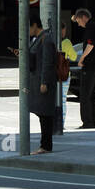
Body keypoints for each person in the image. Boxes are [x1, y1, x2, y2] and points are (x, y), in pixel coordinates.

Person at [27, 16, 57, 154]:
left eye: (28, 27)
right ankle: (45, 145)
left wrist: (44, 82)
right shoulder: (38, 39)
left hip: (43, 82)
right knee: (42, 114)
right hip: (37, 80)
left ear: (34, 25)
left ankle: (45, 145)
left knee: (45, 114)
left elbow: (47, 62)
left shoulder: (46, 39)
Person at [72, 8, 95, 128]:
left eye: (78, 21)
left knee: (85, 95)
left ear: (83, 17)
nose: (79, 24)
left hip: (90, 66)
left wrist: (81, 59)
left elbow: (90, 44)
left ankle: (87, 122)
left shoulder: (90, 27)